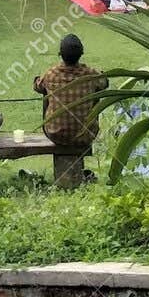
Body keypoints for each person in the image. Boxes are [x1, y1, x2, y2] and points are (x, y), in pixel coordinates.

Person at [33, 31, 107, 186]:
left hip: (55, 134)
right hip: (86, 135)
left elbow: (37, 86)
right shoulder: (90, 74)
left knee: (45, 93)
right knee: (96, 92)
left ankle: (50, 122)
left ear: (60, 54)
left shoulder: (51, 74)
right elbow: (105, 83)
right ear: (81, 54)